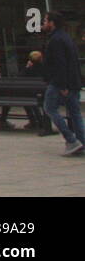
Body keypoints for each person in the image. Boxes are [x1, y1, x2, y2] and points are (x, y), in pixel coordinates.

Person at [43, 12, 84, 155]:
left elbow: (60, 63)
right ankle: (82, 142)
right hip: (73, 81)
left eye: (45, 20)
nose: (43, 23)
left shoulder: (55, 40)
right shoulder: (67, 37)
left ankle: (71, 140)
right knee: (75, 113)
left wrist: (62, 85)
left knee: (50, 108)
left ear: (52, 23)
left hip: (60, 82)